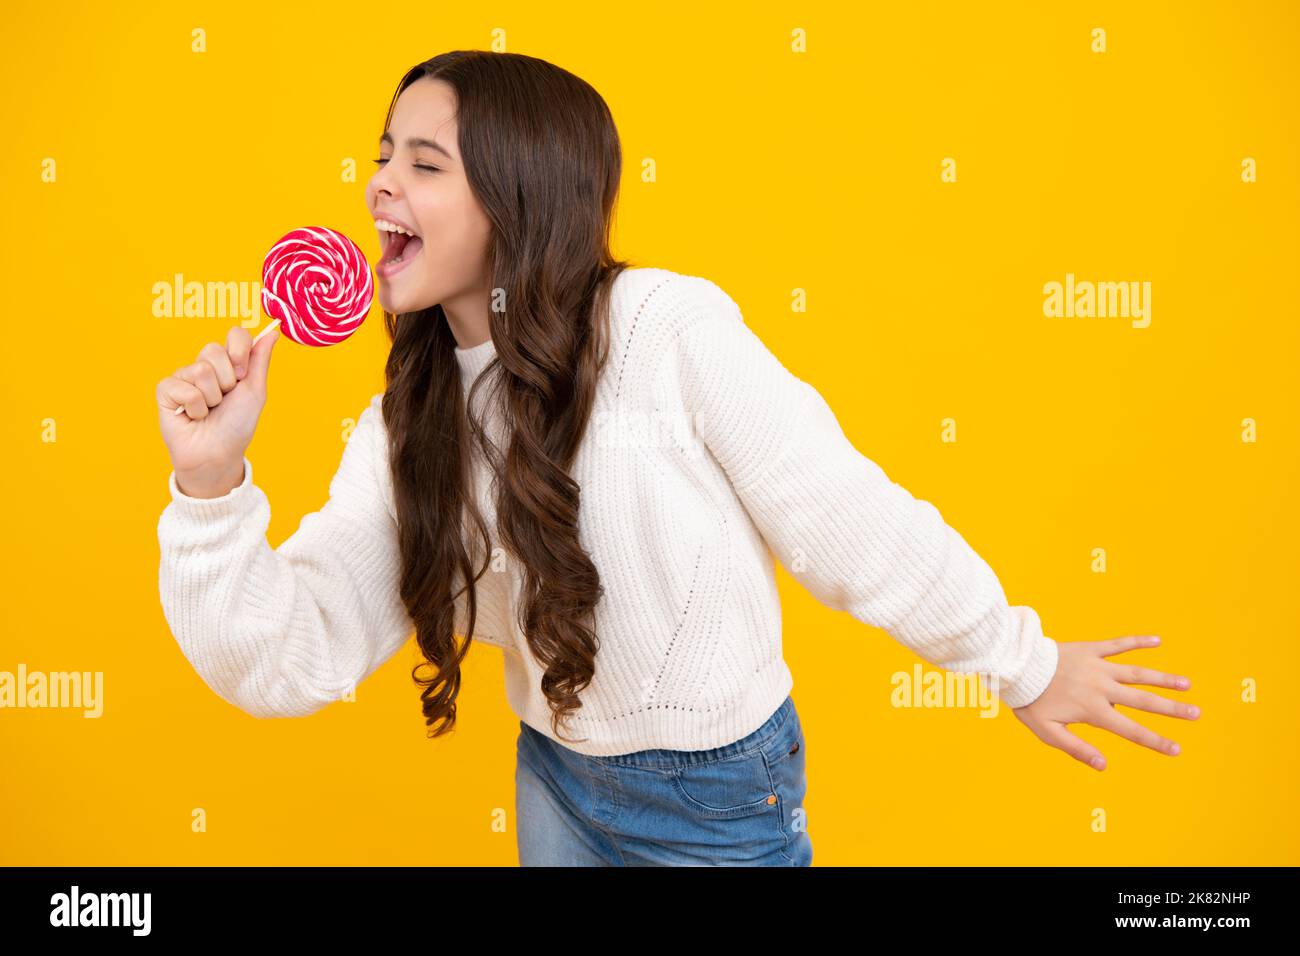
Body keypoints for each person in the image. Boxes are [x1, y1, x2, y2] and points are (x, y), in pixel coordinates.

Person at [155, 50, 1200, 867]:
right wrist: (209, 486)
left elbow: (840, 513)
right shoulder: (406, 420)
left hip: (715, 789)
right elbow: (293, 657)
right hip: (555, 776)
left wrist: (1019, 657)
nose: (380, 183)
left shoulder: (664, 327)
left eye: (423, 163)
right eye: (382, 153)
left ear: (518, 194)